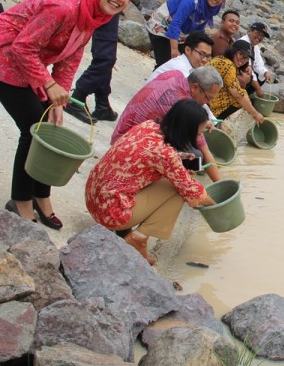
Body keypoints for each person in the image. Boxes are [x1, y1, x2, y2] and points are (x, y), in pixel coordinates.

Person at [0, 0, 137, 228]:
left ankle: (41, 195)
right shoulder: (66, 6)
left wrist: (58, 100)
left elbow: (70, 60)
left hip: (26, 59)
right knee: (33, 126)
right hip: (1, 52)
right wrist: (48, 85)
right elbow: (22, 46)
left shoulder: (93, 15)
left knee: (49, 122)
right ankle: (21, 201)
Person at [85, 99, 218, 265]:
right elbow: (194, 192)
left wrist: (179, 161)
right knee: (181, 190)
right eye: (198, 134)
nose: (199, 138)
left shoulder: (148, 126)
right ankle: (138, 238)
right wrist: (217, 205)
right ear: (185, 131)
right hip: (110, 213)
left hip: (94, 197)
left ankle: (127, 231)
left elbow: (148, 158)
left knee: (175, 180)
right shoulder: (165, 154)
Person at [110, 66, 223, 182]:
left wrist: (204, 123)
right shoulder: (180, 106)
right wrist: (220, 185)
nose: (207, 103)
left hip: (124, 136)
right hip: (127, 154)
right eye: (208, 98)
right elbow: (205, 150)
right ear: (195, 87)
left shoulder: (176, 74)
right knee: (196, 157)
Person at [146, 0, 227, 70]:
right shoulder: (191, 0)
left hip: (181, 34)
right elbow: (176, 23)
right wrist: (174, 49)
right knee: (165, 64)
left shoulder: (210, 10)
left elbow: (198, 31)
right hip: (162, 27)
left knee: (182, 65)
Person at [207, 40, 265, 124]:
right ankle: (217, 119)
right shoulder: (228, 65)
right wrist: (255, 114)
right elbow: (238, 95)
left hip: (206, 95)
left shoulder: (221, 59)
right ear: (233, 51)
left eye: (246, 58)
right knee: (240, 96)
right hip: (206, 100)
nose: (242, 60)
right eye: (240, 54)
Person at [147, 30, 213, 82]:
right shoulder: (181, 71)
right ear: (188, 50)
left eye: (208, 56)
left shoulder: (184, 63)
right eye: (201, 54)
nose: (205, 60)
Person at [239, 22, 274, 97]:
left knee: (263, 74)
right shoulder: (243, 43)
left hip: (246, 71)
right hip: (237, 74)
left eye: (262, 35)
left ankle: (245, 96)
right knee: (247, 76)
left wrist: (265, 72)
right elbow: (246, 68)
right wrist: (258, 89)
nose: (259, 37)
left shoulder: (254, 45)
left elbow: (258, 63)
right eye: (257, 33)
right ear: (249, 31)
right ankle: (239, 98)